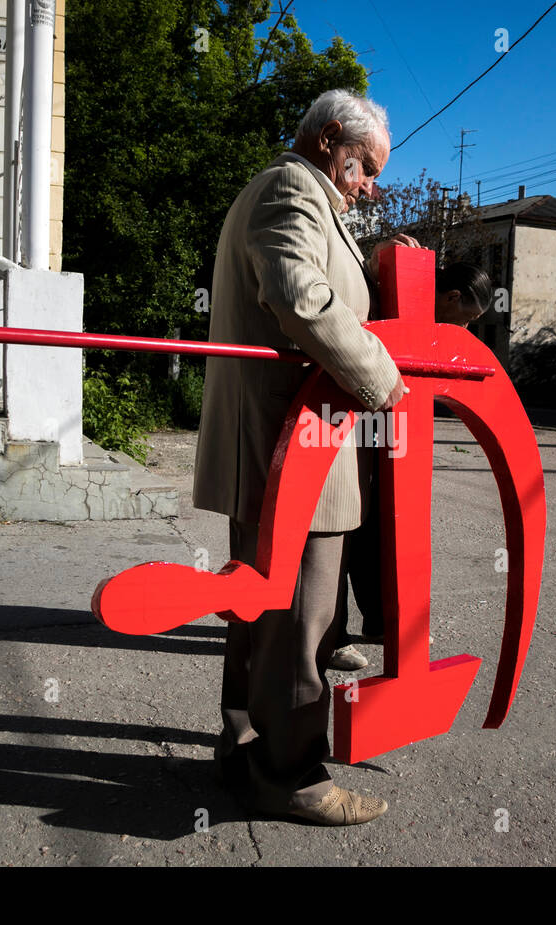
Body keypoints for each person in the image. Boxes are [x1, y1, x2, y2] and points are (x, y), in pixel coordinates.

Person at [192, 89, 416, 826]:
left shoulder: (293, 194)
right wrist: (386, 381)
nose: (370, 184)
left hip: (275, 442)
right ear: (328, 140)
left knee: (253, 607)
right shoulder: (293, 188)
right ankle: (289, 774)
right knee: (301, 620)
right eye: (366, 167)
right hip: (294, 451)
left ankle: (243, 742)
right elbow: (300, 297)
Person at [328, 261, 495, 671]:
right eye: (467, 318)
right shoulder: (388, 295)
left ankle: (381, 623)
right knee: (340, 526)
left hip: (391, 426)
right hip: (349, 418)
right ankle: (331, 636)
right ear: (451, 296)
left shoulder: (429, 330)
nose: (467, 330)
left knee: (379, 525)